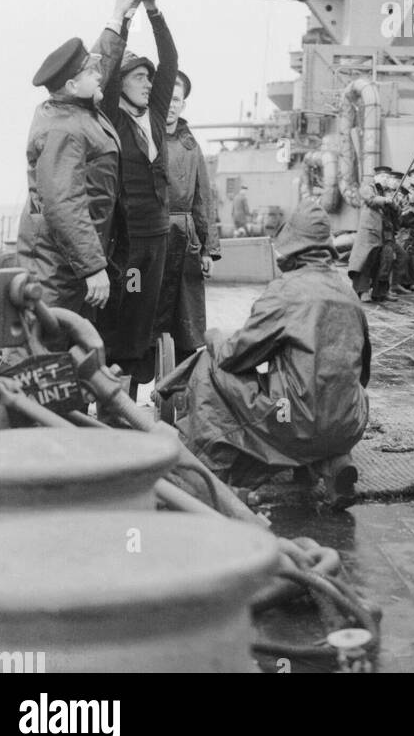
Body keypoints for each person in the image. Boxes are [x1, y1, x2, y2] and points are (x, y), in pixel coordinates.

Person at [167, 198, 371, 507]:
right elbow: (364, 372)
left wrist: (214, 337)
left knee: (211, 365)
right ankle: (332, 460)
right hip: (350, 421)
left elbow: (235, 357)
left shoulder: (286, 291)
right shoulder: (349, 293)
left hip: (299, 421)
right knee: (318, 404)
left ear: (291, 247)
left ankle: (209, 468)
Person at [16, 0, 140, 325]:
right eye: (90, 72)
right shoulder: (64, 129)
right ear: (72, 85)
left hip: (69, 262)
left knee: (74, 353)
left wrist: (120, 16)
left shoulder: (74, 105)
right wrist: (93, 267)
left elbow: (102, 59)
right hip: (57, 270)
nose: (98, 75)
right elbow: (63, 204)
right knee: (48, 355)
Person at [101, 0, 179, 390]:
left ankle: (128, 399)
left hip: (158, 238)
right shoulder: (112, 116)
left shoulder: (155, 114)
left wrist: (154, 11)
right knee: (124, 313)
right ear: (122, 85)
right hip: (129, 242)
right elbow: (108, 70)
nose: (148, 83)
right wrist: (127, 13)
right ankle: (110, 397)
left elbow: (171, 62)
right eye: (139, 77)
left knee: (145, 317)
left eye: (149, 77)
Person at [156, 71, 221, 365]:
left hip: (185, 240)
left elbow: (203, 198)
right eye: (166, 97)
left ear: (183, 105)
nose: (170, 105)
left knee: (187, 320)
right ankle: (125, 397)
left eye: (177, 99)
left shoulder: (191, 146)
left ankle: (179, 395)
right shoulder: (141, 137)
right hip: (149, 238)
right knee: (139, 311)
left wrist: (209, 248)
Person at [347, 166, 400, 302]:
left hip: (386, 233)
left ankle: (381, 291)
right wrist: (385, 200)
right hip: (370, 232)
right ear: (376, 177)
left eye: (387, 177)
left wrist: (393, 205)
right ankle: (363, 291)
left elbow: (397, 211)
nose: (385, 179)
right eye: (383, 176)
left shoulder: (389, 193)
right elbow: (370, 199)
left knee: (384, 263)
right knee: (366, 261)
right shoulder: (368, 188)